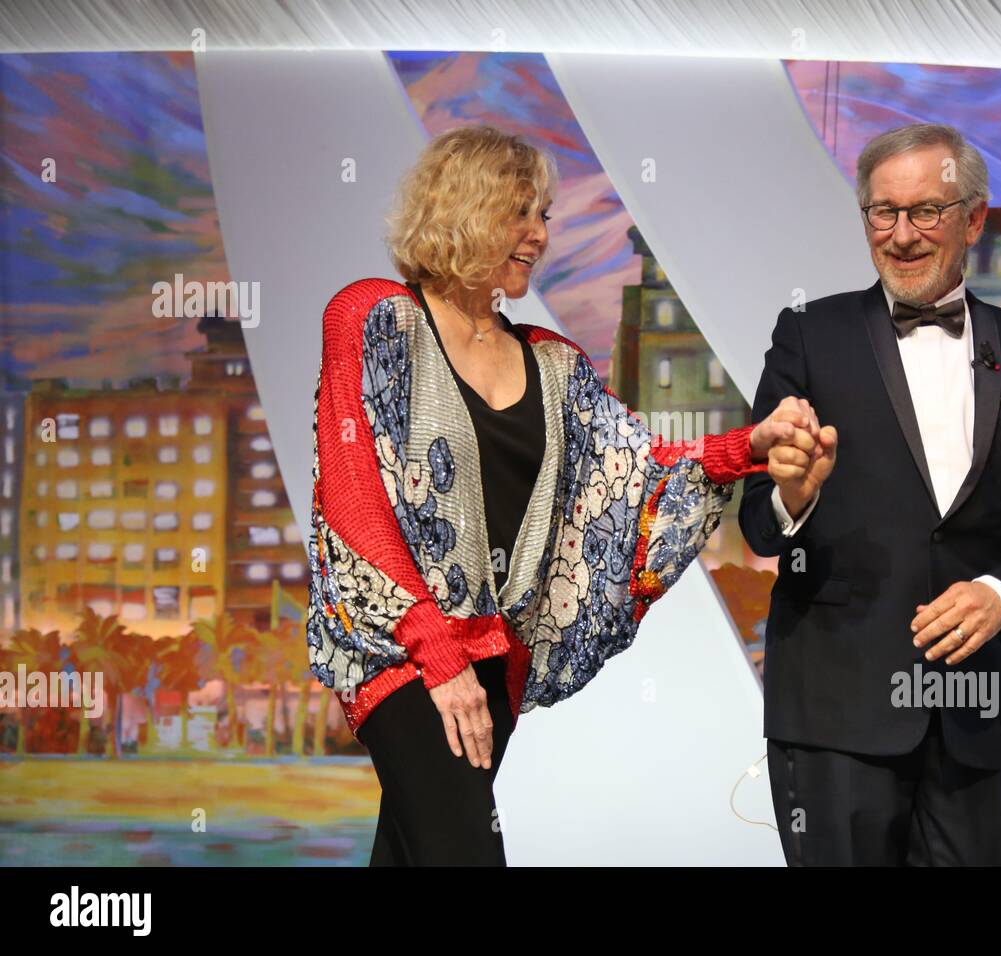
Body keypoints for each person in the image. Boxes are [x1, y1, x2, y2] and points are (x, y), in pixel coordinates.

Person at [305, 124, 830, 865]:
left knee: (412, 849)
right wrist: (438, 653)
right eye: (520, 212)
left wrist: (748, 446)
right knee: (465, 850)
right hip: (399, 649)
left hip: (496, 659)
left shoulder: (553, 366)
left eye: (545, 215)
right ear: (462, 208)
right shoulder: (375, 317)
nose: (539, 234)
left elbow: (640, 472)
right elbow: (355, 494)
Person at [740, 122, 1001, 866]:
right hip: (834, 722)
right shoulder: (809, 336)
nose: (901, 235)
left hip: (971, 720)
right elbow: (758, 524)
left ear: (973, 217)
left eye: (925, 212)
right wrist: (794, 498)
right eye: (883, 212)